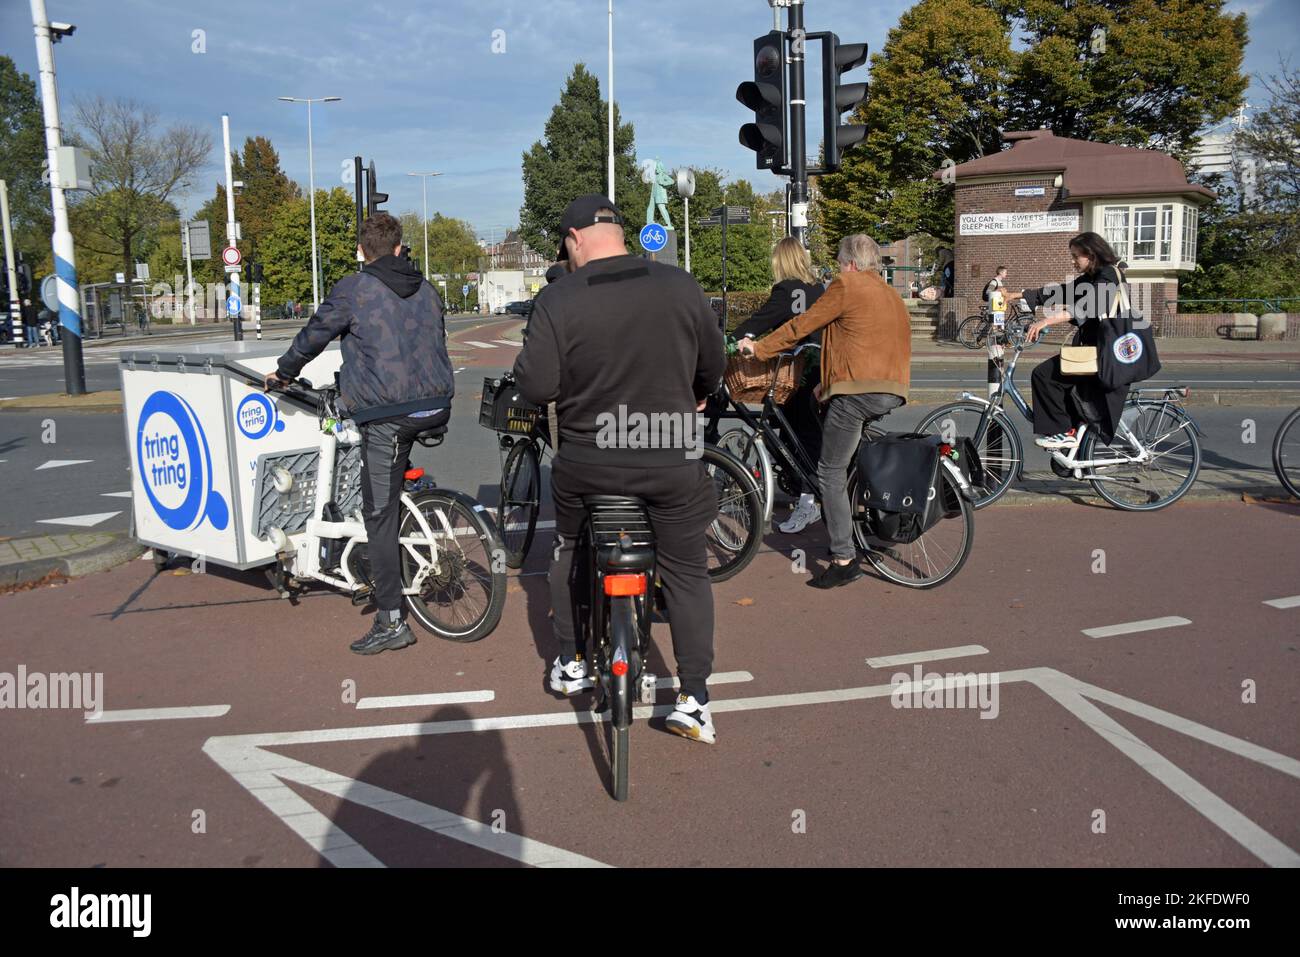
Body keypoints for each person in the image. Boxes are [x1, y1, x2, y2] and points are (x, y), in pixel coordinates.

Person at [513, 194, 726, 744]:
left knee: (568, 548)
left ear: (575, 239)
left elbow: (535, 387)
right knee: (686, 570)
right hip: (673, 458)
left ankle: (572, 660)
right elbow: (713, 367)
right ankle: (695, 698)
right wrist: (696, 395)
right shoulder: (680, 285)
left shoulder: (559, 299)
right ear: (621, 235)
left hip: (590, 462)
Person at [264, 212, 454, 656]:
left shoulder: (353, 288)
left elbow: (315, 335)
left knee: (379, 513)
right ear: (399, 247)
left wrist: (284, 372)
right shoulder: (427, 288)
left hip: (389, 413)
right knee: (391, 476)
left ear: (360, 251)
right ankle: (417, 507)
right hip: (437, 403)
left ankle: (390, 621)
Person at [739, 234, 911, 589]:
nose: (836, 268)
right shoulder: (889, 293)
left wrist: (759, 349)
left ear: (848, 262)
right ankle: (867, 528)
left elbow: (802, 326)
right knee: (850, 464)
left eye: (837, 261)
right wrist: (827, 383)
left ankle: (843, 558)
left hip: (858, 392)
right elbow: (851, 338)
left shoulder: (845, 285)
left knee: (829, 471)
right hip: (892, 388)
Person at [735, 236, 826, 533]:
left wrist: (738, 335)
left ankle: (807, 500)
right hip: (820, 368)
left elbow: (761, 320)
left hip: (797, 371)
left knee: (801, 433)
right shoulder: (817, 288)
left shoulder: (786, 290)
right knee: (806, 431)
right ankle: (807, 491)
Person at [1010, 232, 1128, 450]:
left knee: (1044, 375)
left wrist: (1045, 322)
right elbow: (1062, 292)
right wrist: (1017, 295)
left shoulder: (1109, 275)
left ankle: (1063, 432)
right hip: (1094, 349)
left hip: (1106, 354)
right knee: (1065, 386)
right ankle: (1075, 439)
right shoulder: (1093, 276)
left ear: (1091, 254)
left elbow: (1088, 306)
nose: (1073, 261)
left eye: (1076, 256)